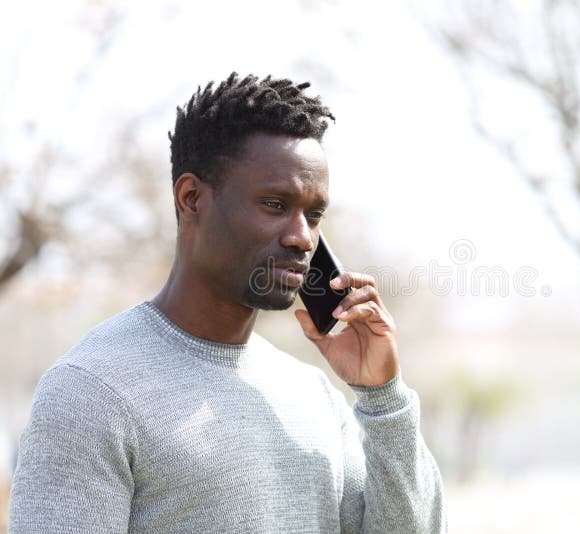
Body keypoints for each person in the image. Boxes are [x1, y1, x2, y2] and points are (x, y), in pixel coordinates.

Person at [8, 72, 446, 533]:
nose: (303, 237)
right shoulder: (90, 393)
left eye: (314, 215)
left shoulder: (312, 396)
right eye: (275, 204)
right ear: (191, 198)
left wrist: (383, 397)